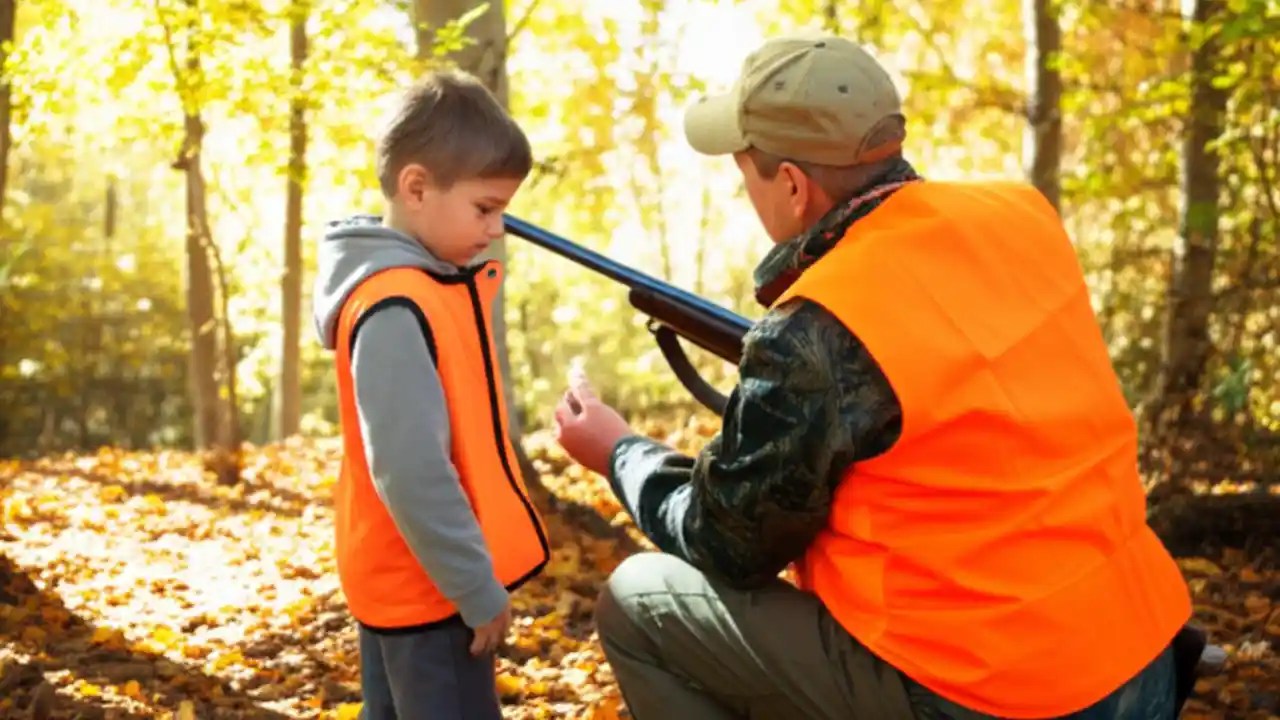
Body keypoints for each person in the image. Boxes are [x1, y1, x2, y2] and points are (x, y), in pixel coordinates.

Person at [553, 33, 1193, 720]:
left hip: (995, 694)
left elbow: (728, 543)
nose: (748, 193)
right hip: (1140, 659)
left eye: (748, 173)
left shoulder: (820, 328)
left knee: (636, 604)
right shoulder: (1022, 219)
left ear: (794, 185)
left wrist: (619, 452)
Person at [312, 69, 550, 720]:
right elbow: (410, 469)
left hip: (409, 582)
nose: (497, 228)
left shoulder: (419, 289)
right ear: (416, 187)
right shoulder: (395, 305)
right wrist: (475, 586)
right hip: (429, 591)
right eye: (485, 207)